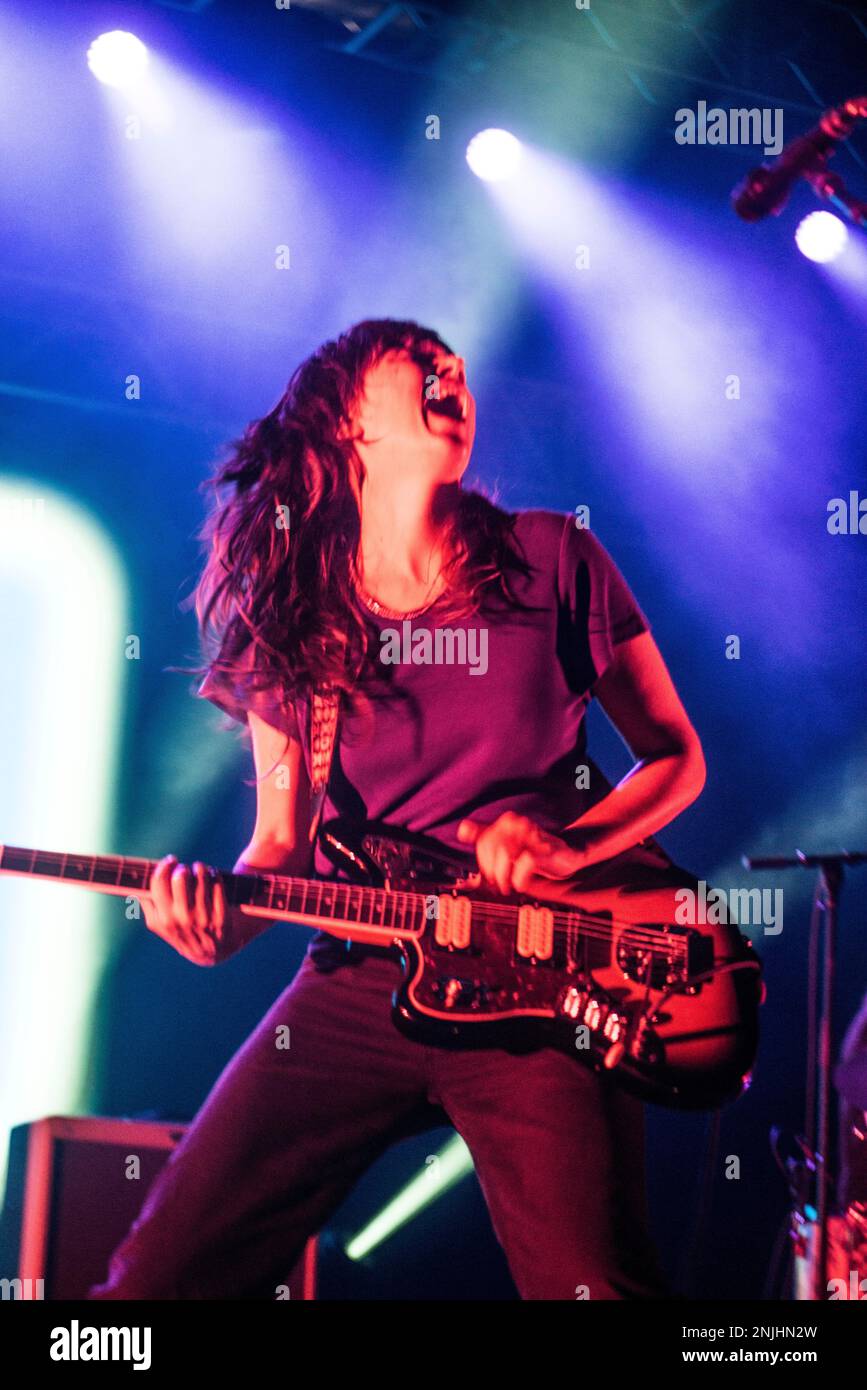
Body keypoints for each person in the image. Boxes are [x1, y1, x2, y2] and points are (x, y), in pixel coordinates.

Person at [89, 318, 706, 1301]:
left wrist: (565, 843)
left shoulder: (553, 556)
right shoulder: (289, 620)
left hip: (539, 976)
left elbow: (676, 756)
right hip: (360, 978)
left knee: (592, 1283)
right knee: (157, 1282)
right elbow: (279, 849)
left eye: (453, 358)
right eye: (418, 356)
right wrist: (214, 923)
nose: (450, 364)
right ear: (347, 422)